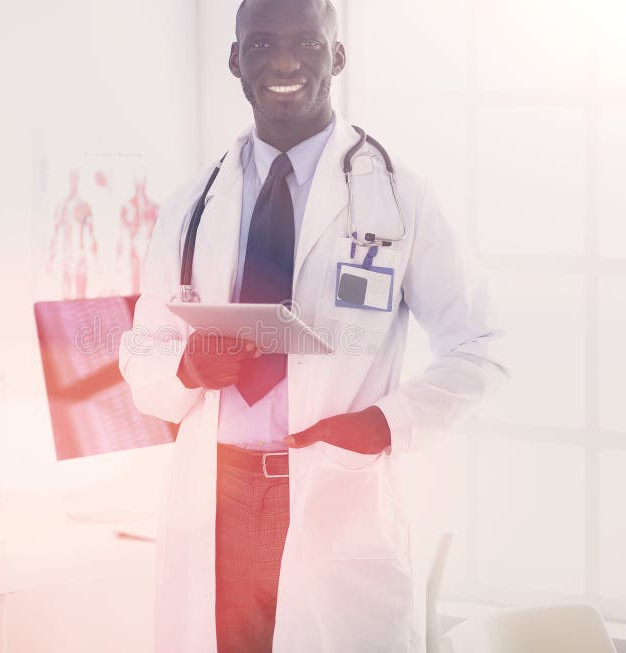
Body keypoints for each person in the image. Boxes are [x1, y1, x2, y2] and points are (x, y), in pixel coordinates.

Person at [119, 0, 507, 651]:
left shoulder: (399, 197)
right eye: (263, 44)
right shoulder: (193, 202)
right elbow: (143, 347)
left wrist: (382, 423)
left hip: (333, 491)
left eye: (306, 43)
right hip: (216, 498)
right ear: (236, 60)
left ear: (339, 54)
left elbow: (481, 347)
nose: (286, 61)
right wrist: (185, 367)